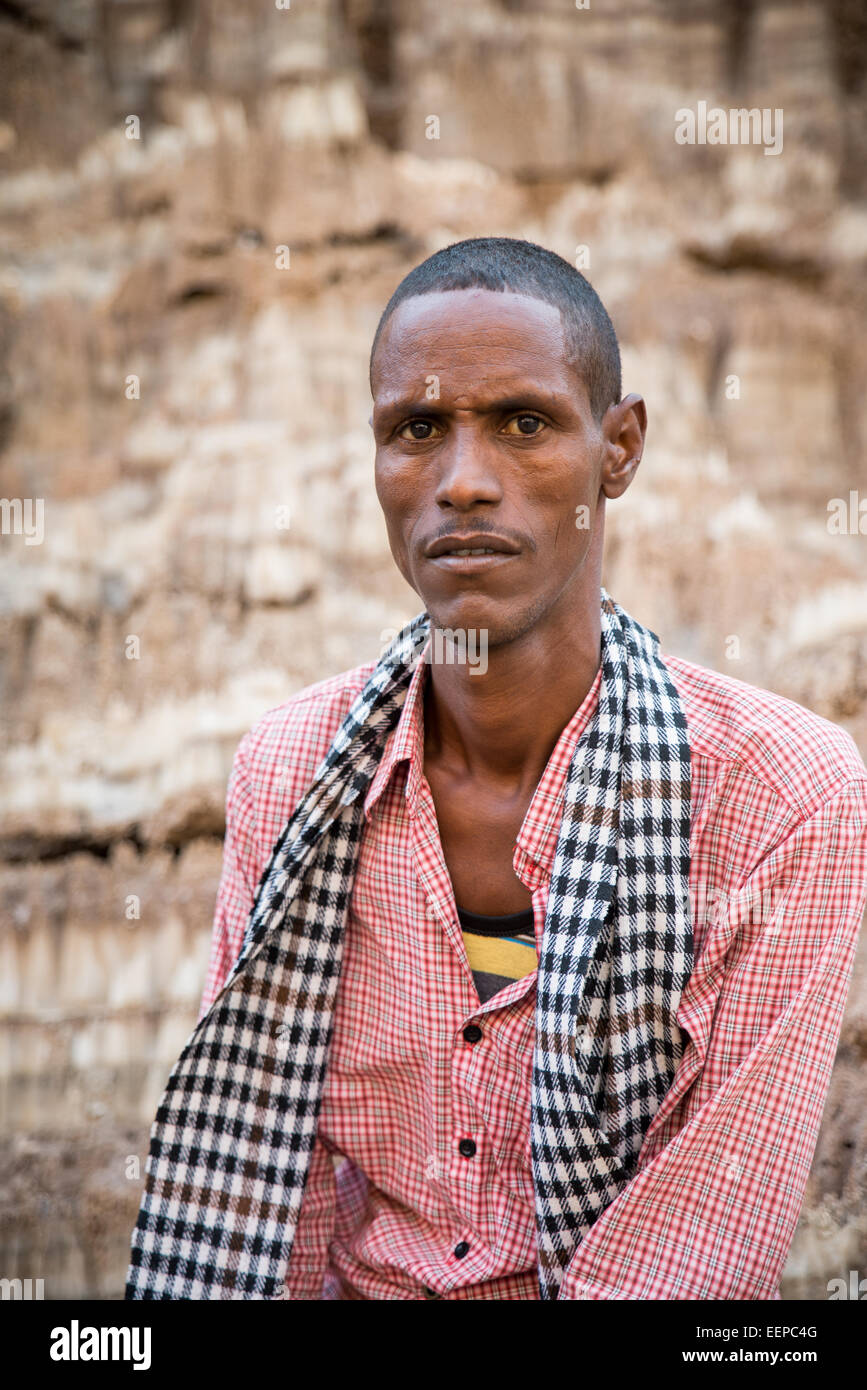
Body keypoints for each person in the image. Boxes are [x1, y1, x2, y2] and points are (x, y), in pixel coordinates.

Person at [126, 237, 867, 1301]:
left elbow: (695, 1256)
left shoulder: (783, 796)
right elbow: (256, 1205)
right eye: (417, 430)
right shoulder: (290, 771)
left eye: (525, 423)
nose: (464, 483)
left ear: (619, 449)